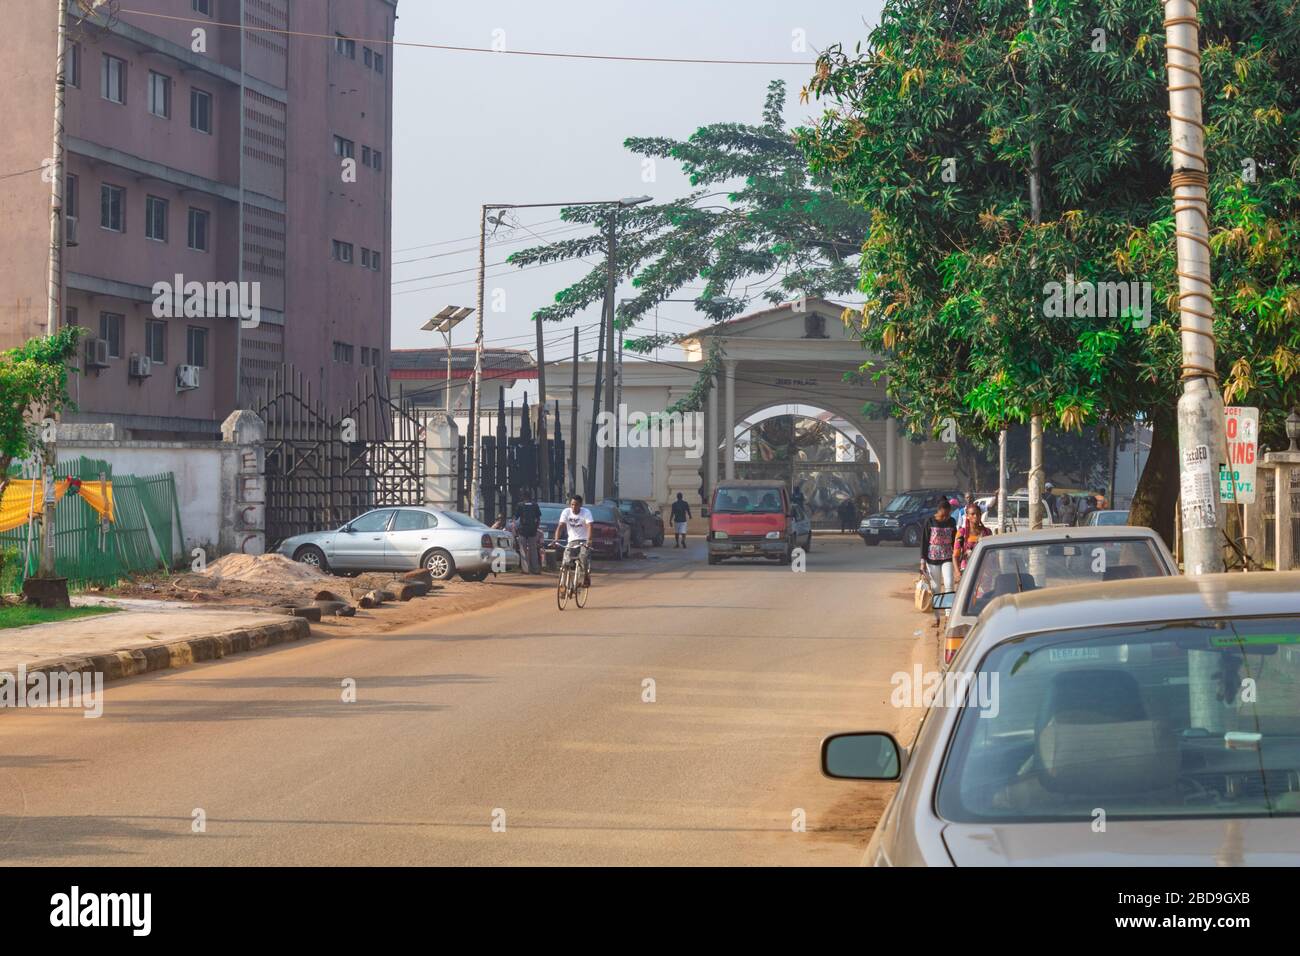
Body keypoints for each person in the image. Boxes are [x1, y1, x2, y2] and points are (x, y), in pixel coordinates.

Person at [919, 497, 958, 597]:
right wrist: (922, 562)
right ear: (939, 511)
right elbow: (924, 542)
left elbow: (955, 540)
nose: (945, 517)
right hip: (932, 558)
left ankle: (948, 610)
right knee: (936, 587)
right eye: (943, 515)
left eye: (948, 514)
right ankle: (937, 609)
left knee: (949, 583)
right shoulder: (930, 521)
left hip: (948, 557)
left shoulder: (952, 521)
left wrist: (958, 555)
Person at [555, 494, 594, 586]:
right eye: (572, 504)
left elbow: (590, 526)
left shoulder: (586, 512)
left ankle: (586, 576)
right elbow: (560, 526)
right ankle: (563, 583)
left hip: (584, 540)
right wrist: (556, 539)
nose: (573, 507)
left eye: (576, 505)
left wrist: (589, 540)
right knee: (566, 561)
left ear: (580, 505)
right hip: (572, 541)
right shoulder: (566, 512)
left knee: (583, 558)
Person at [954, 503, 991, 577]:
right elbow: (955, 555)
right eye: (972, 514)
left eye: (978, 514)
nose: (976, 516)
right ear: (967, 516)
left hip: (984, 570)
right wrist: (957, 571)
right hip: (967, 569)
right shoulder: (962, 533)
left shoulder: (987, 532)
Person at [512, 488, 543, 574]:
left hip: (522, 530)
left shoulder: (520, 505)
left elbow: (515, 518)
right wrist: (536, 528)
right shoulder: (535, 505)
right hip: (533, 531)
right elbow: (538, 518)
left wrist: (515, 528)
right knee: (533, 550)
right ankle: (535, 569)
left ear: (522, 496)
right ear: (530, 496)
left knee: (523, 550)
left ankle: (526, 569)